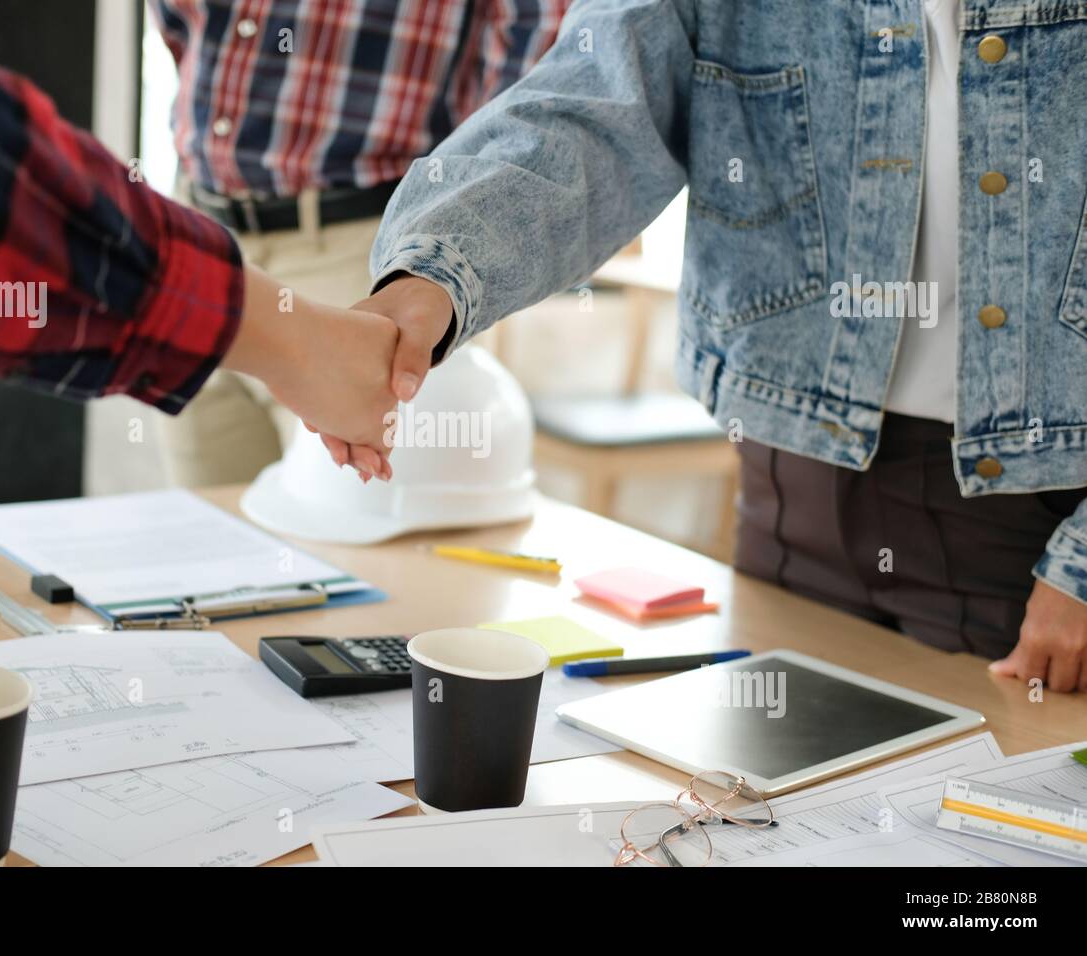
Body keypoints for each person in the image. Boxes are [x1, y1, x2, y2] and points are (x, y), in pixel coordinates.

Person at [330, 0, 1087, 690]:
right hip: (791, 486)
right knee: (786, 815)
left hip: (1042, 527)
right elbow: (587, 112)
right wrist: (432, 276)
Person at [0, 0, 395, 472]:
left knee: (371, 582)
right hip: (219, 228)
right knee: (227, 569)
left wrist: (296, 337)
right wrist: (288, 337)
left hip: (358, 254)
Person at [146, 0, 569, 485]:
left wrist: (441, 255)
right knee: (212, 529)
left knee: (360, 527)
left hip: (369, 255)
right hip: (199, 232)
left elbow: (533, 107)